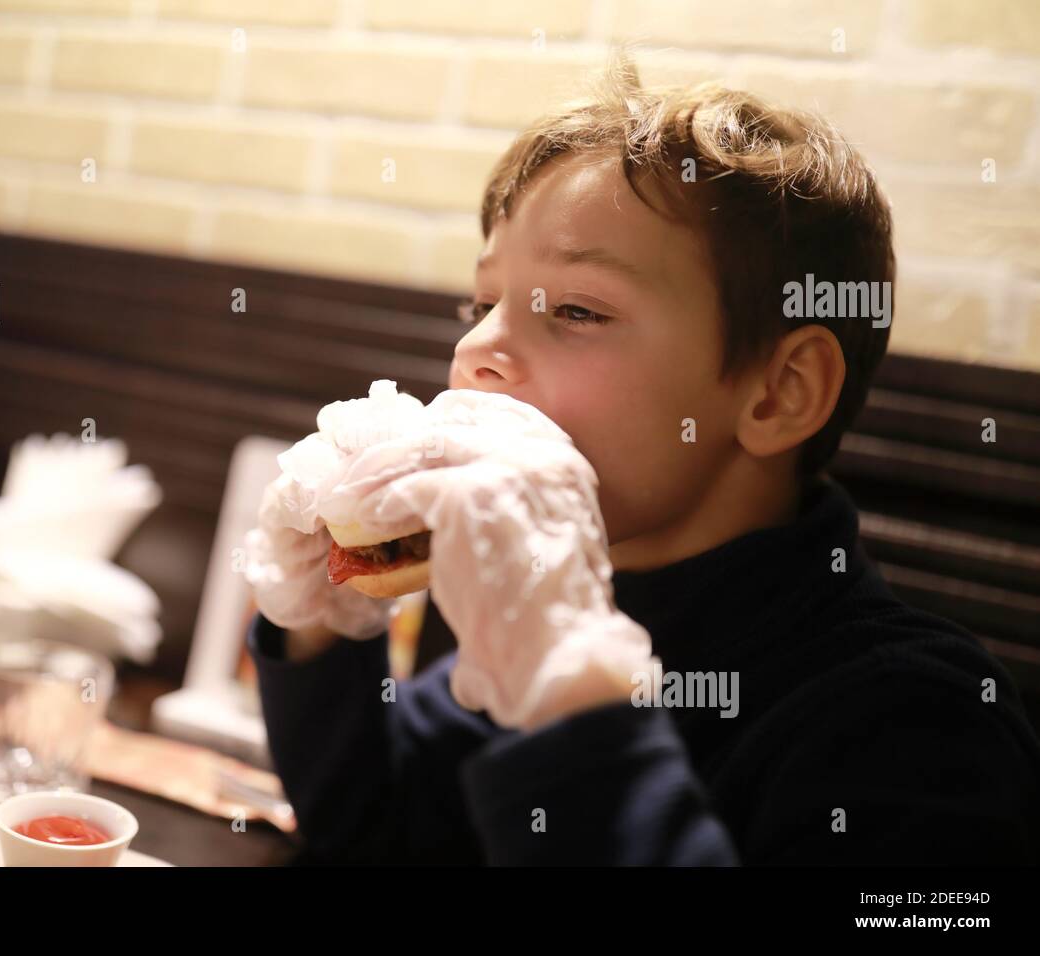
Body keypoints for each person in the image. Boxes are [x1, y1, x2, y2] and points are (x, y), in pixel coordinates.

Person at [241, 66, 1040, 865]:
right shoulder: (544, 583)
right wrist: (315, 617)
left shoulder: (918, 722)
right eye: (483, 305)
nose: (474, 351)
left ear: (779, 394)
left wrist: (573, 697)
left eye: (579, 310)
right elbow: (379, 828)